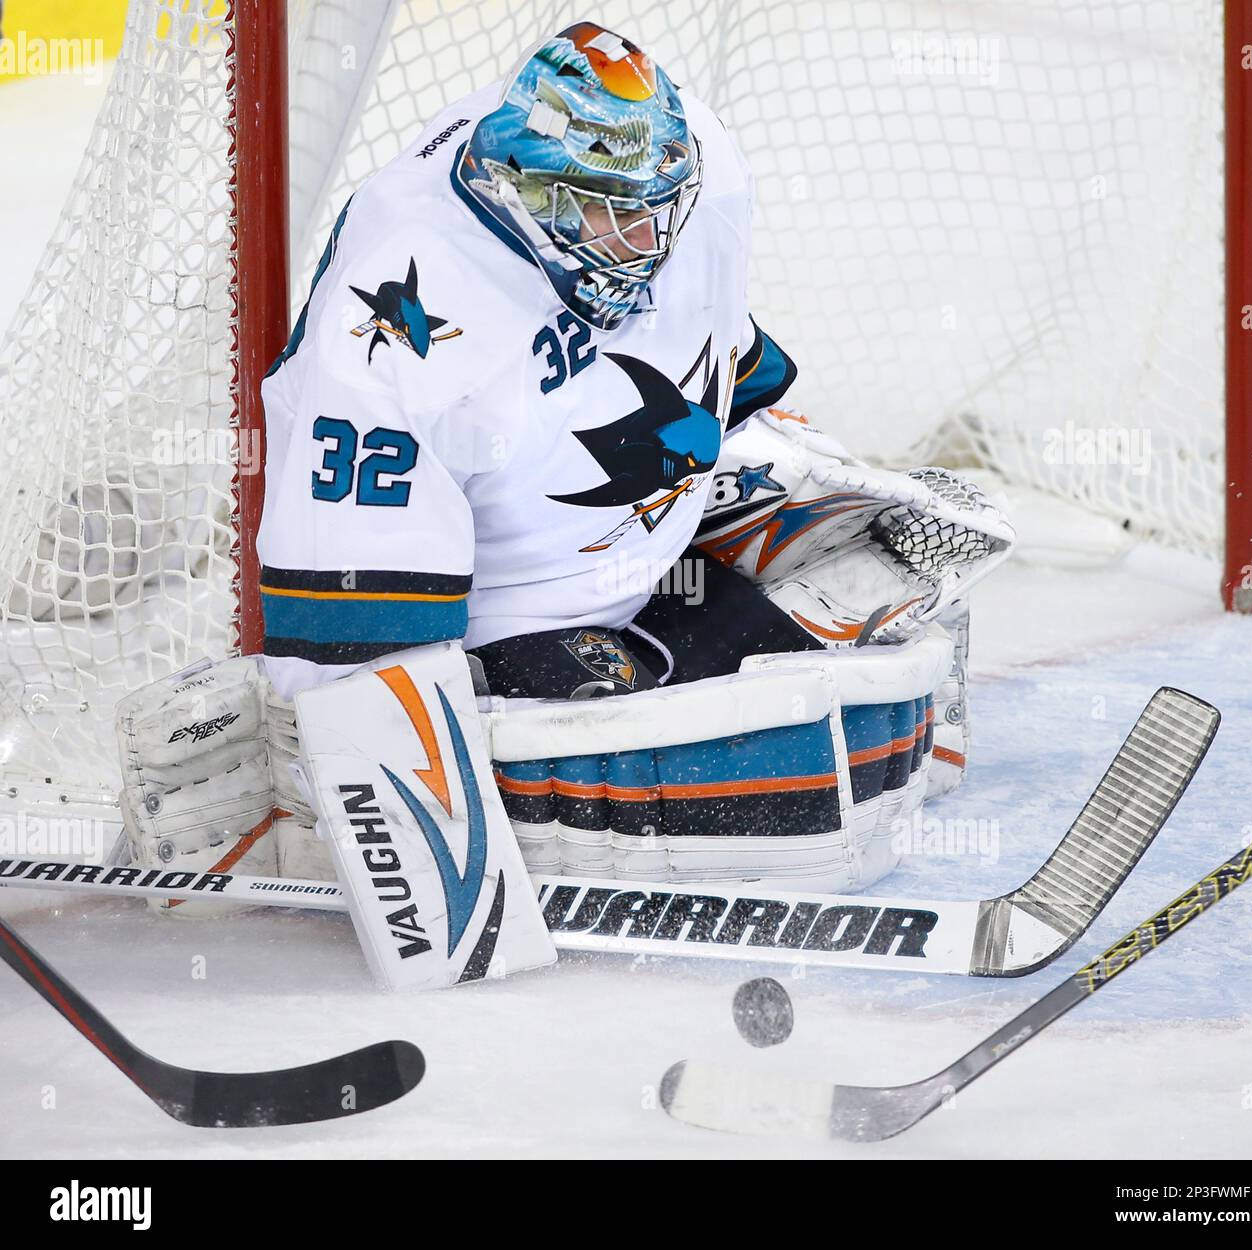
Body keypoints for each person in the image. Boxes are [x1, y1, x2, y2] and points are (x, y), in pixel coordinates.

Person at [114, 23, 1012, 905]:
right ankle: (272, 788)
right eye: (607, 216)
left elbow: (711, 345)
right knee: (691, 751)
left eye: (655, 212)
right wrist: (381, 817)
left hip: (643, 520)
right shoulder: (389, 329)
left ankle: (847, 704)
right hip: (496, 620)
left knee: (866, 566)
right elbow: (354, 649)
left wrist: (758, 445)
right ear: (523, 186)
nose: (643, 246)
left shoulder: (694, 170)